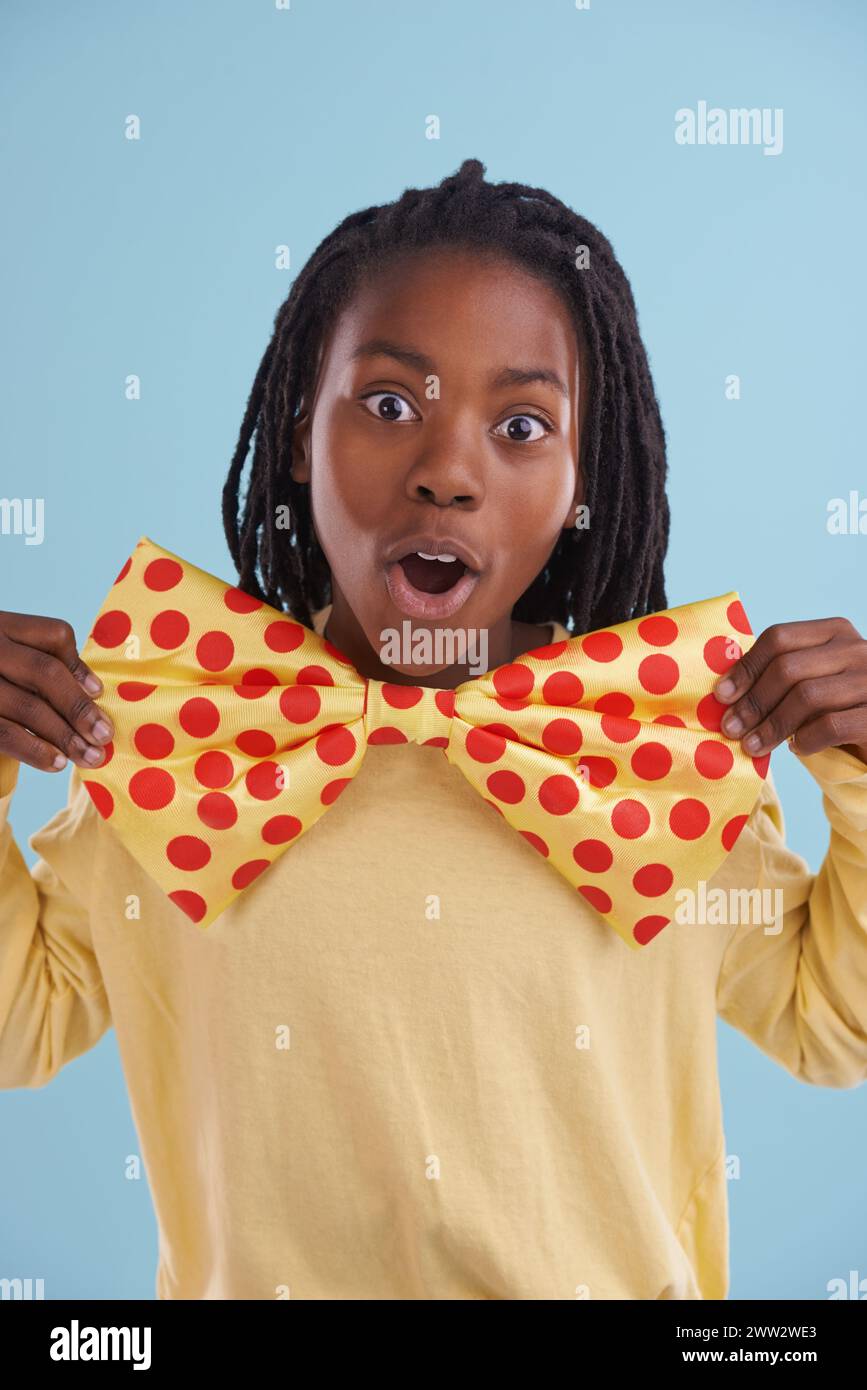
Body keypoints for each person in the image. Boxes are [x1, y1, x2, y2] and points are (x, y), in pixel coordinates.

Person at [1, 159, 866, 1300]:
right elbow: (24, 1023)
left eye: (521, 423)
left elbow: (827, 1023)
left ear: (580, 482)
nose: (448, 472)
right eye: (390, 403)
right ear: (297, 439)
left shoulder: (650, 754)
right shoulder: (181, 739)